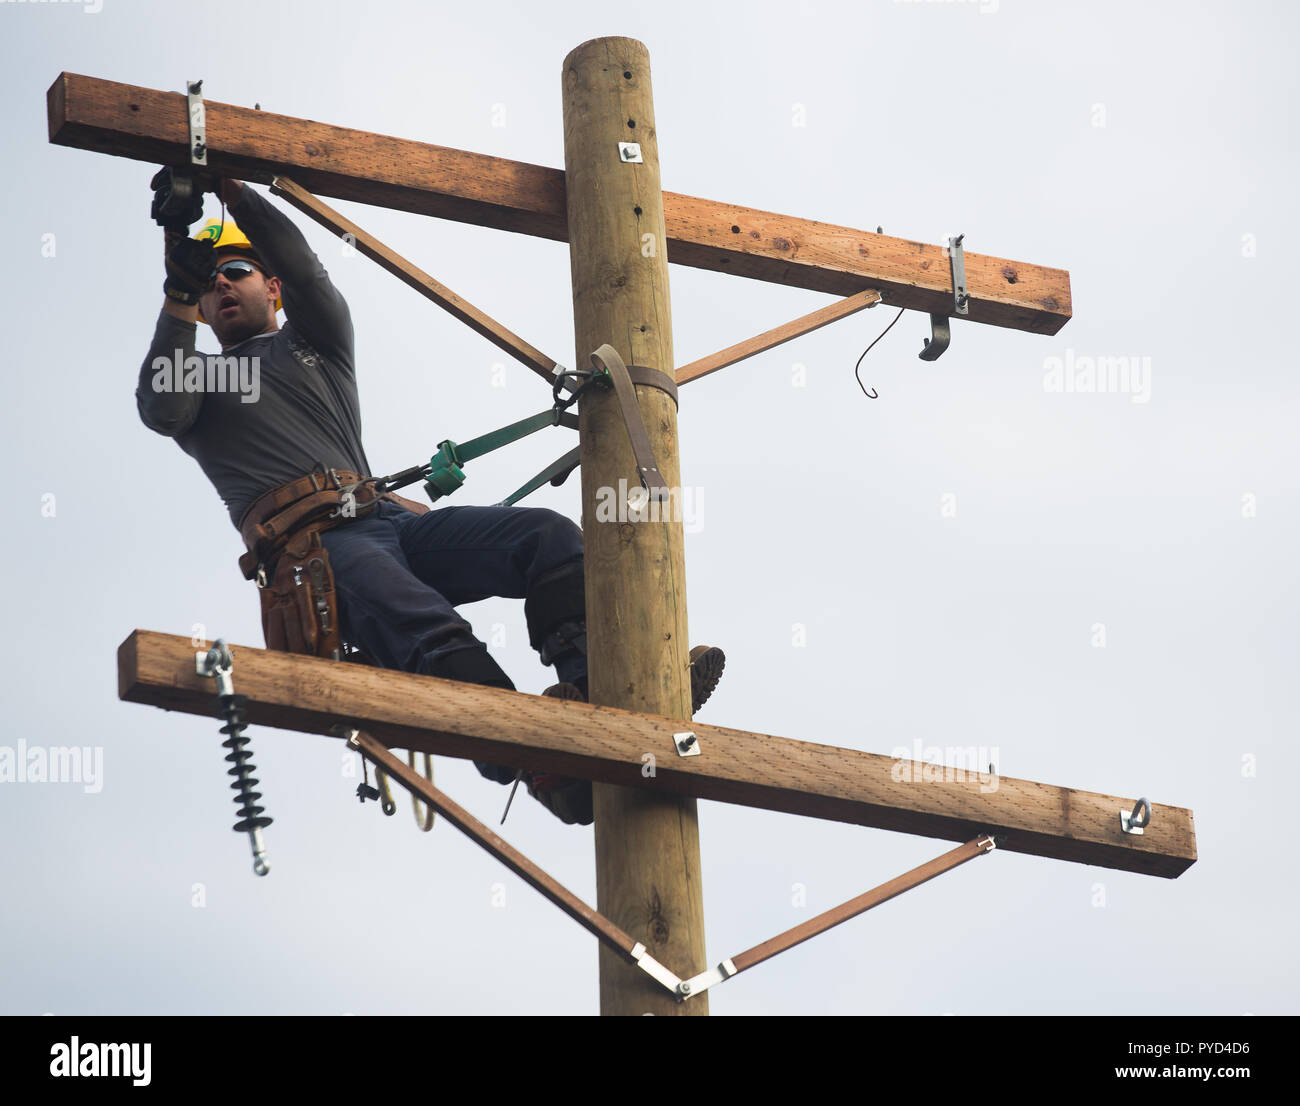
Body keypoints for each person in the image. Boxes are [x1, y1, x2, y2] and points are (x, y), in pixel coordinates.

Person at [136, 175, 722, 826]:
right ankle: (541, 762)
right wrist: (177, 293)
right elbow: (161, 406)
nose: (221, 284)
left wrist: (233, 188)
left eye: (237, 271)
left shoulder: (312, 342)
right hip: (315, 548)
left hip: (388, 520)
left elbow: (304, 270)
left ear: (270, 288)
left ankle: (599, 690)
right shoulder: (200, 382)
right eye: (211, 281)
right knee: (427, 626)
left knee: (545, 538)